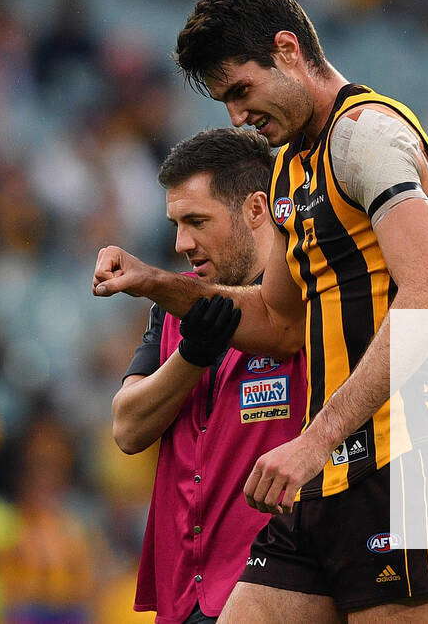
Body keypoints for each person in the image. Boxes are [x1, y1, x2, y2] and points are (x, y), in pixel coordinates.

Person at [93, 0, 428, 620]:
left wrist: (313, 439)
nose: (238, 116)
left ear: (289, 51)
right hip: (324, 476)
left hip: (398, 464)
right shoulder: (294, 167)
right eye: (225, 102)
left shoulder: (367, 136)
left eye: (241, 90)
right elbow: (277, 319)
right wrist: (155, 283)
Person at [110, 128, 307, 623]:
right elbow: (128, 428)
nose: (181, 243)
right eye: (176, 223)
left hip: (273, 590)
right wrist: (192, 355)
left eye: (197, 221)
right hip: (182, 594)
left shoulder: (313, 300)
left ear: (256, 210)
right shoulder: (176, 307)